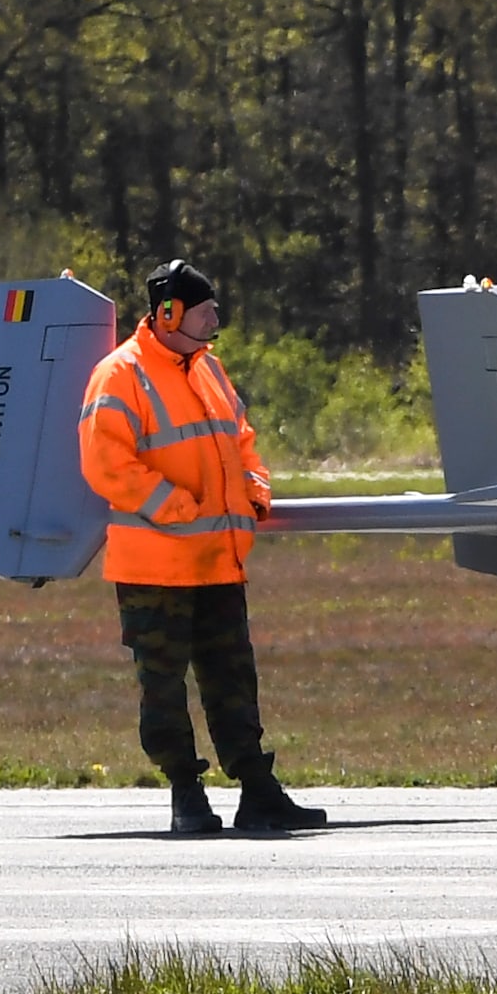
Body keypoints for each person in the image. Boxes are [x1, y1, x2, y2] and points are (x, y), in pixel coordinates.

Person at [78, 258, 327, 836]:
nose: (217, 315)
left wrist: (255, 487)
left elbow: (240, 441)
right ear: (169, 314)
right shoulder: (120, 375)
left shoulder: (209, 369)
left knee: (233, 678)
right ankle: (185, 793)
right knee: (162, 685)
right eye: (206, 307)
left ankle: (257, 789)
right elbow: (105, 462)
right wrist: (174, 506)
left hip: (219, 561)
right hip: (156, 565)